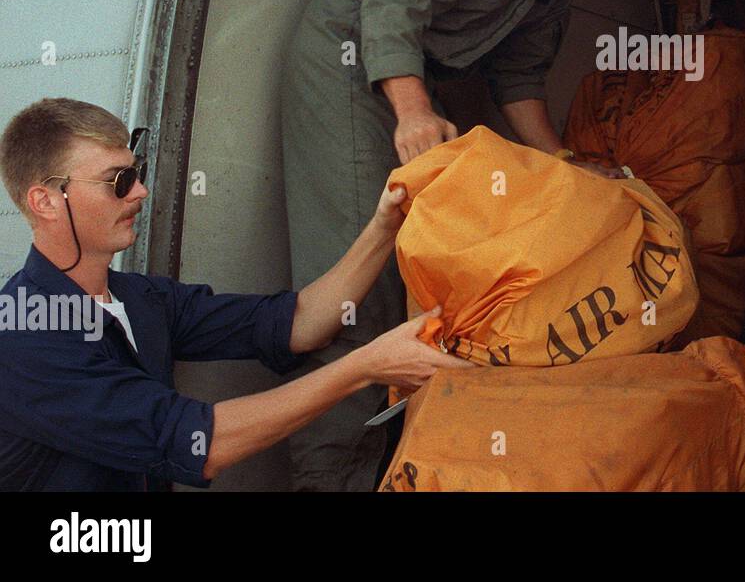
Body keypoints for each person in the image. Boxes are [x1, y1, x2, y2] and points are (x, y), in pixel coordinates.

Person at [279, 0, 650, 490]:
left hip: (407, 78)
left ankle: (398, 460)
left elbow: (518, 78)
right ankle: (329, 475)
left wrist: (566, 165)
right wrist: (415, 110)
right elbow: (389, 2)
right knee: (359, 272)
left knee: (431, 264)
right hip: (351, 58)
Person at [0, 97, 469, 491]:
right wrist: (367, 366)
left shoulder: (140, 299)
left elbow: (296, 323)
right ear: (45, 201)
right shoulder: (23, 335)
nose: (141, 191)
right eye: (118, 181)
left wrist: (386, 223)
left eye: (136, 171)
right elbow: (202, 443)